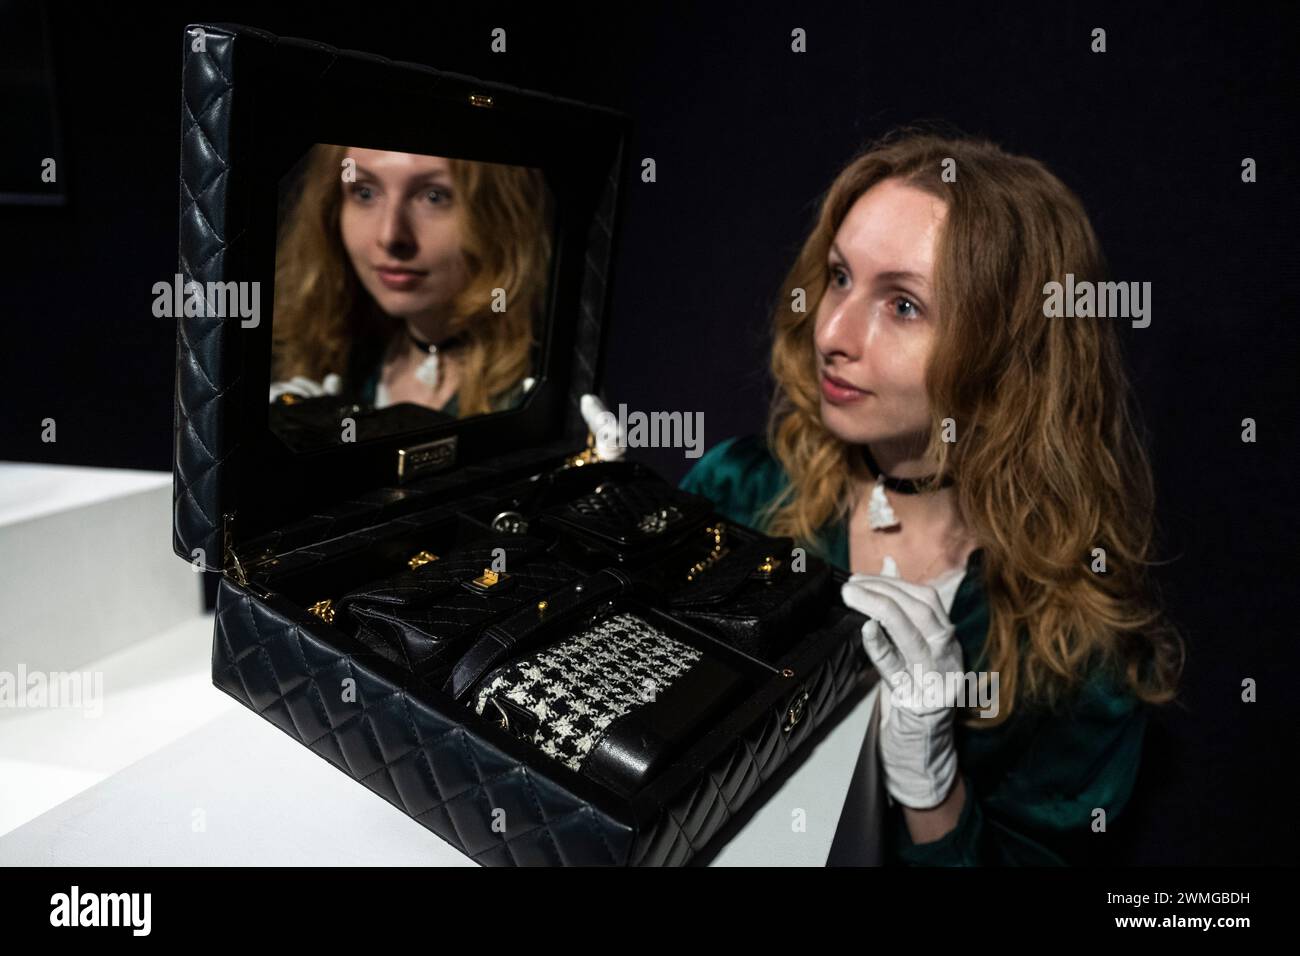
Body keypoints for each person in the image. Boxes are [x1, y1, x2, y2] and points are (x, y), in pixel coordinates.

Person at [583, 128, 1184, 865]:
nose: (833, 332)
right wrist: (597, 537)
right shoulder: (740, 489)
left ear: (1009, 350)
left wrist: (930, 788)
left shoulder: (1079, 641)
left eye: (903, 305)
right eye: (839, 277)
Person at [268, 145, 550, 417]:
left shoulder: (547, 382)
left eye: (434, 196)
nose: (390, 236)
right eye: (365, 192)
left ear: (502, 214)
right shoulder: (339, 352)